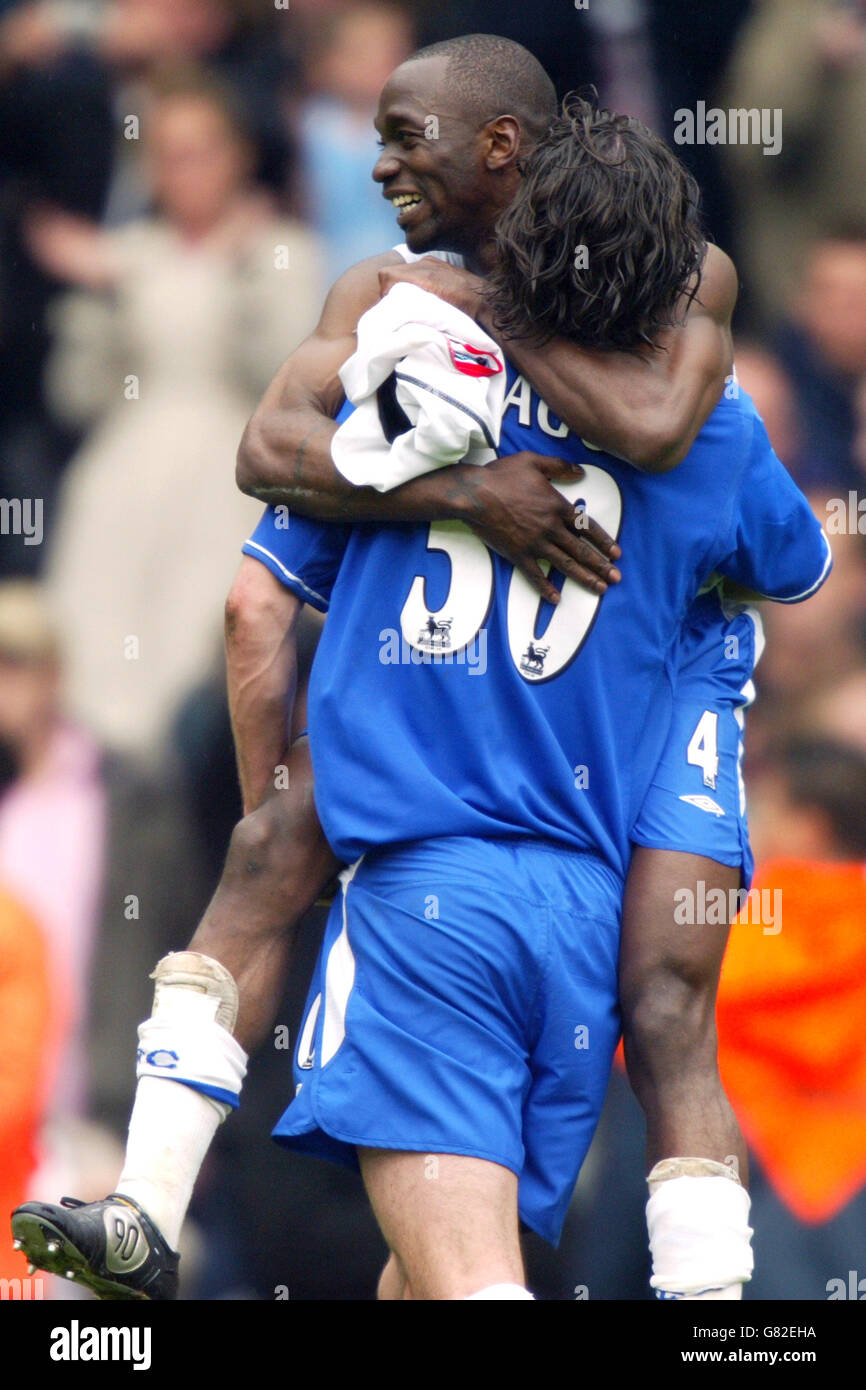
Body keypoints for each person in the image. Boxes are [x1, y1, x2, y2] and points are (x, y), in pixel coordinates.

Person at [13, 37, 822, 1300]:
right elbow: (775, 543)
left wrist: (288, 793)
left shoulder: (397, 336)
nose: (381, 163)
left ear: (501, 147)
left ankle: (145, 1204)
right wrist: (478, 493)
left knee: (458, 1268)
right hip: (589, 861)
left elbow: (253, 593)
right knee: (651, 1041)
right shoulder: (692, 388)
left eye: (406, 139)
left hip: (431, 850)